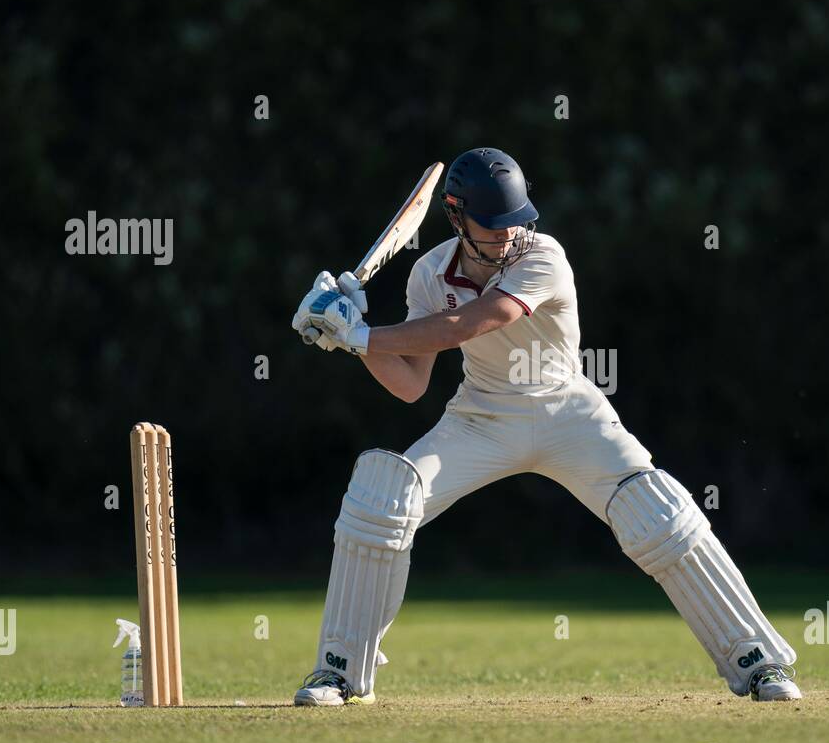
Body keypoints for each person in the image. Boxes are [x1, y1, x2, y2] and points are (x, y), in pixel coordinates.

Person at [289, 148, 801, 705]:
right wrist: (349, 335)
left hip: (569, 413)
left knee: (658, 513)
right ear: (456, 217)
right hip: (481, 417)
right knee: (382, 496)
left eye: (517, 222)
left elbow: (476, 321)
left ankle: (758, 662)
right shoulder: (429, 273)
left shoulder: (545, 257)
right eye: (494, 225)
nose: (510, 236)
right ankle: (339, 671)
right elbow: (411, 382)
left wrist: (362, 335)